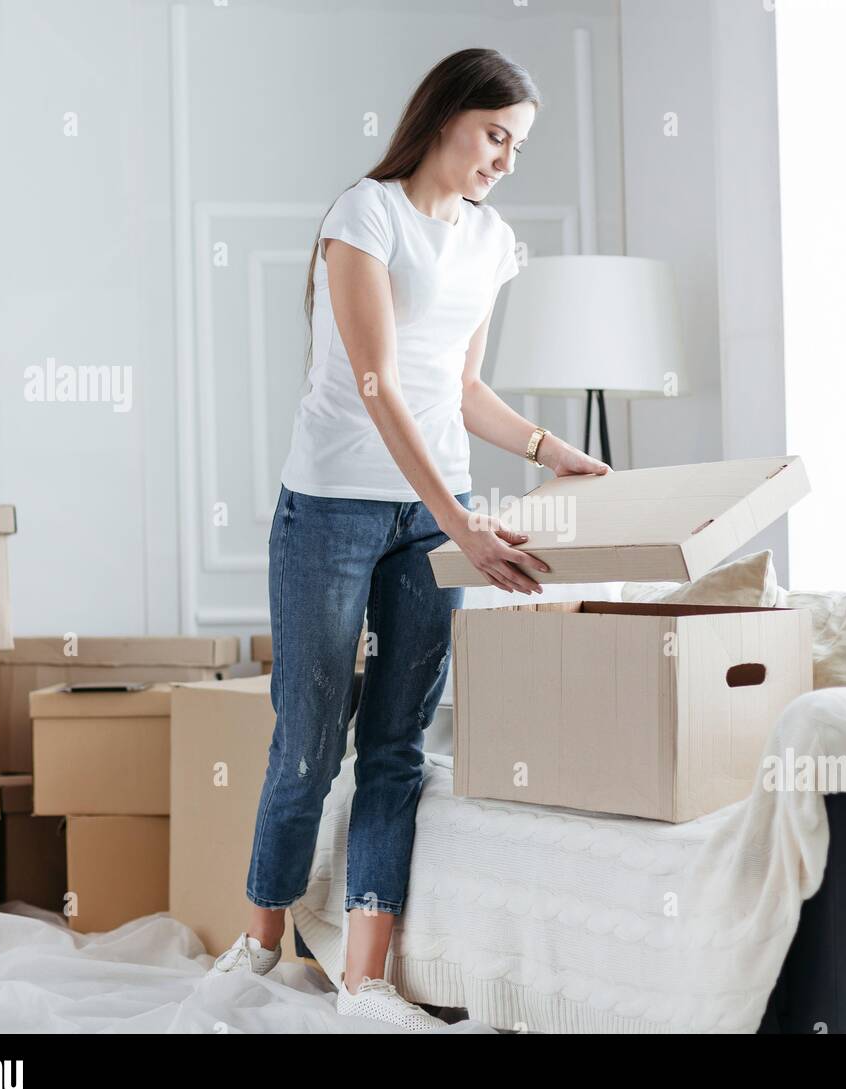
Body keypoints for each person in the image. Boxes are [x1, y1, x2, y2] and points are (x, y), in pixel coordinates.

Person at [208, 47, 610, 1030]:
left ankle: (365, 975)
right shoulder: (366, 216)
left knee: (398, 744)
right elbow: (382, 384)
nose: (506, 160)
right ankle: (258, 946)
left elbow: (457, 389)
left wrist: (550, 447)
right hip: (335, 507)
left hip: (433, 511)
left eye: (518, 145)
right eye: (496, 136)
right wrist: (463, 523)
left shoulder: (491, 240)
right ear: (444, 119)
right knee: (309, 735)